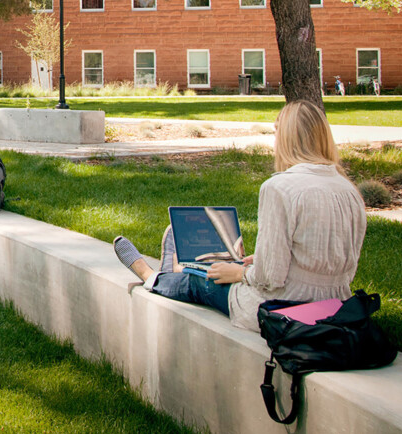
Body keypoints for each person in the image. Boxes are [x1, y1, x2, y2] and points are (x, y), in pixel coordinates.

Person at [112, 100, 366, 331]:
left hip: (281, 309)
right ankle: (171, 271)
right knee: (218, 270)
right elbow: (333, 259)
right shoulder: (349, 189)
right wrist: (265, 259)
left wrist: (240, 274)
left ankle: (151, 276)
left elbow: (270, 278)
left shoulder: (279, 188)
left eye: (277, 132)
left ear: (287, 138)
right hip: (336, 306)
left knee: (202, 280)